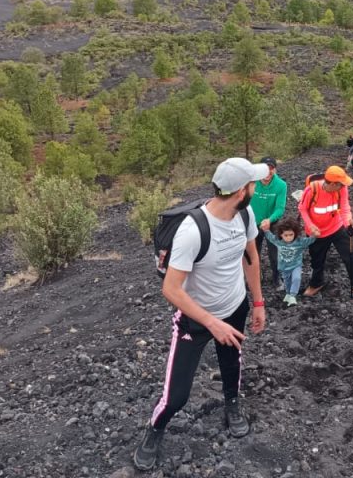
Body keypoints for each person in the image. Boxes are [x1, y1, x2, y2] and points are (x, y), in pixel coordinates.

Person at [134, 158, 269, 472]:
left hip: (235, 307)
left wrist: (258, 301)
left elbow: (251, 257)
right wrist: (211, 322)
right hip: (196, 319)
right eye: (253, 184)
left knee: (231, 362)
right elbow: (171, 289)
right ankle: (155, 428)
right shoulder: (193, 231)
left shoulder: (245, 213)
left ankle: (231, 404)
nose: (256, 188)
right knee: (176, 395)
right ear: (241, 191)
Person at [298, 165, 353, 298]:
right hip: (317, 233)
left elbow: (344, 207)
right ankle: (316, 284)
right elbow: (302, 209)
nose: (344, 186)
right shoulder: (311, 190)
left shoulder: (342, 188)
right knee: (317, 260)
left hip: (336, 227)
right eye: (341, 184)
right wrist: (310, 226)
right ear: (332, 184)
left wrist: (348, 223)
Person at [261, 217, 319, 306]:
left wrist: (315, 235)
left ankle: (292, 295)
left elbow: (309, 240)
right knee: (287, 282)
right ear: (281, 234)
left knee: (296, 278)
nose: (288, 237)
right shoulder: (278, 241)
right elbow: (270, 237)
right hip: (284, 267)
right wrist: (266, 230)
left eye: (291, 234)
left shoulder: (299, 242)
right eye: (286, 235)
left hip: (296, 265)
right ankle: (288, 295)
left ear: (295, 233)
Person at [249, 157, 287, 286]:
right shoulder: (251, 182)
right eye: (265, 168)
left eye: (271, 168)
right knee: (253, 253)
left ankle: (277, 278)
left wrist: (269, 220)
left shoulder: (281, 185)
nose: (268, 172)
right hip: (253, 223)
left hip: (272, 223)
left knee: (274, 254)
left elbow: (280, 208)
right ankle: (256, 275)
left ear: (275, 170)